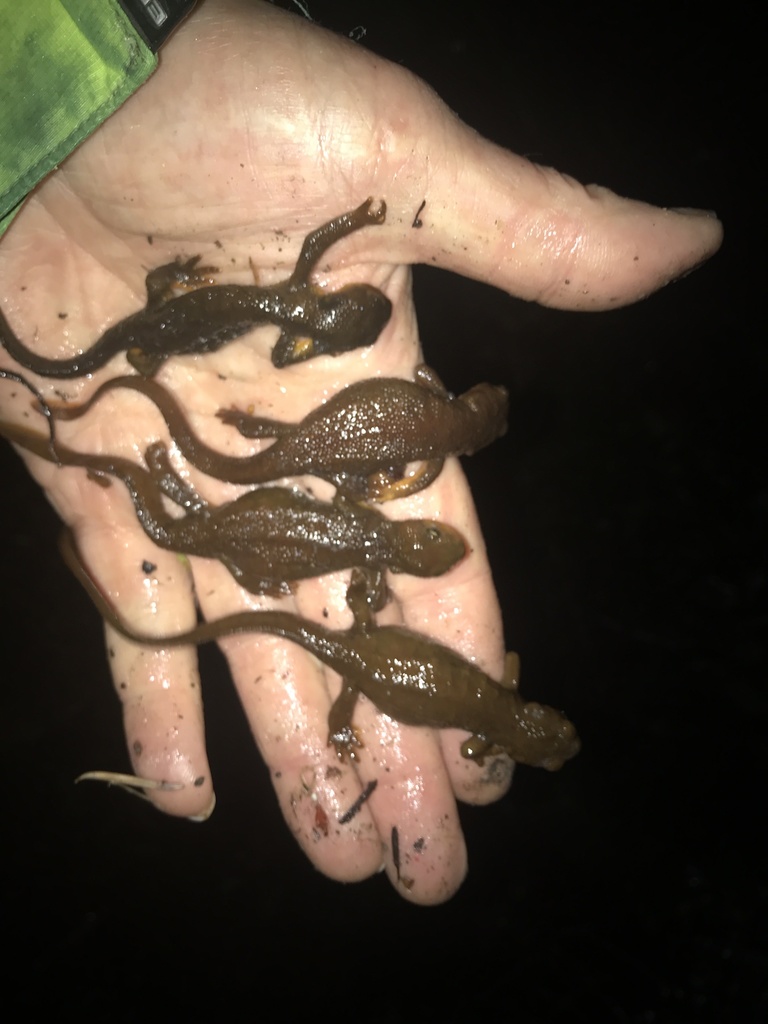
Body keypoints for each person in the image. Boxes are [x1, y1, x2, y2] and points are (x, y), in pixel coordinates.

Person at [0, 0, 721, 905]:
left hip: (315, 524)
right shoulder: (379, 536)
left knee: (239, 529)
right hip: (305, 498)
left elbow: (366, 504)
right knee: (224, 508)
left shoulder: (393, 541)